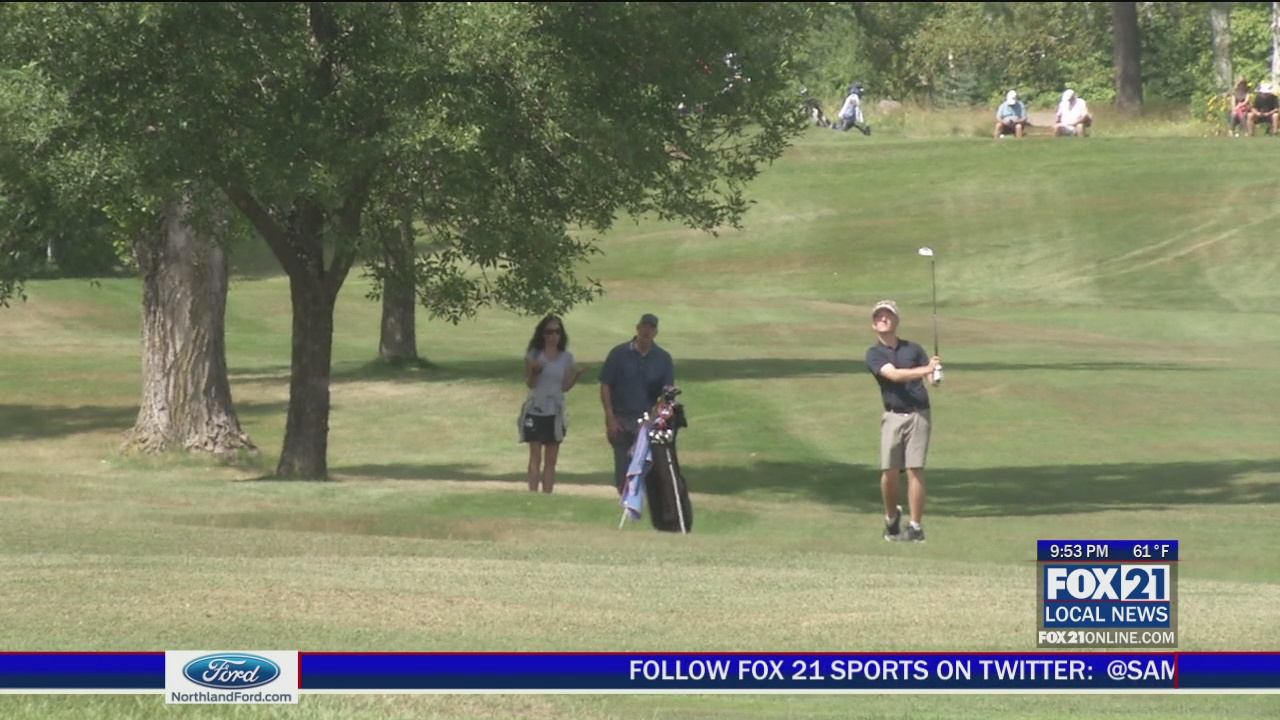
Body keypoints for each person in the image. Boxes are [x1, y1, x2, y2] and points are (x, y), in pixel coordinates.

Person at [864, 300, 941, 543]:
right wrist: (926, 369)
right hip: (893, 415)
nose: (883, 319)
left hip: (919, 413)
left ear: (896, 321)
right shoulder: (874, 354)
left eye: (888, 315)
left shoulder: (914, 349)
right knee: (889, 472)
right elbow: (894, 375)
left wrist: (935, 374)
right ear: (873, 324)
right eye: (879, 316)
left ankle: (916, 527)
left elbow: (931, 381)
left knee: (914, 469)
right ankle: (891, 517)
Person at [599, 313, 675, 494]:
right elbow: (606, 385)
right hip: (621, 418)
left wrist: (651, 421)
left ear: (656, 332)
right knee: (623, 468)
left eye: (651, 328)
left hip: (646, 419)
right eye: (644, 327)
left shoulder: (663, 358)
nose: (647, 331)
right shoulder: (619, 354)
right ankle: (624, 501)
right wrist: (610, 416)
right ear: (638, 328)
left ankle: (640, 507)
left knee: (644, 469)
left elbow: (667, 394)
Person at [520, 315, 587, 493]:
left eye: (557, 332)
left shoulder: (566, 358)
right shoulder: (534, 354)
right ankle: (532, 493)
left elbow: (564, 386)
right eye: (549, 332)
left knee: (551, 459)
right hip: (536, 409)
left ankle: (548, 494)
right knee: (535, 456)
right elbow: (530, 383)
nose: (553, 336)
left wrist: (577, 375)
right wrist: (535, 371)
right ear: (542, 334)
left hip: (554, 411)